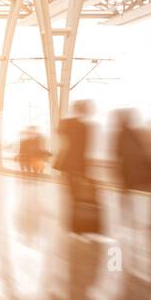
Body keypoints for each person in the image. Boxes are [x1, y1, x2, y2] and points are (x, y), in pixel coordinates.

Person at [112, 108, 151, 231]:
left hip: (126, 171)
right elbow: (145, 150)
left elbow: (117, 153)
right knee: (136, 195)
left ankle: (127, 218)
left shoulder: (120, 134)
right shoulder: (135, 133)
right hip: (135, 171)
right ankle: (137, 219)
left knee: (126, 195)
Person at [54, 99, 97, 233]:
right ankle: (78, 226)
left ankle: (74, 226)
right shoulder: (86, 127)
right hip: (79, 166)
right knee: (79, 197)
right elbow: (85, 149)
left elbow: (61, 138)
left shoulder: (65, 123)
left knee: (72, 196)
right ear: (84, 110)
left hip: (67, 166)